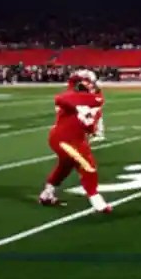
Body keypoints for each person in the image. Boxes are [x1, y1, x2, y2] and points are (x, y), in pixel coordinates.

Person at [39, 70, 111, 213]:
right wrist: (80, 77)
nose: (91, 85)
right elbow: (59, 98)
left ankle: (47, 194)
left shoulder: (94, 99)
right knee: (88, 167)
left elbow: (91, 124)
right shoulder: (72, 96)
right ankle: (96, 199)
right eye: (87, 82)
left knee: (65, 167)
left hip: (77, 139)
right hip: (63, 139)